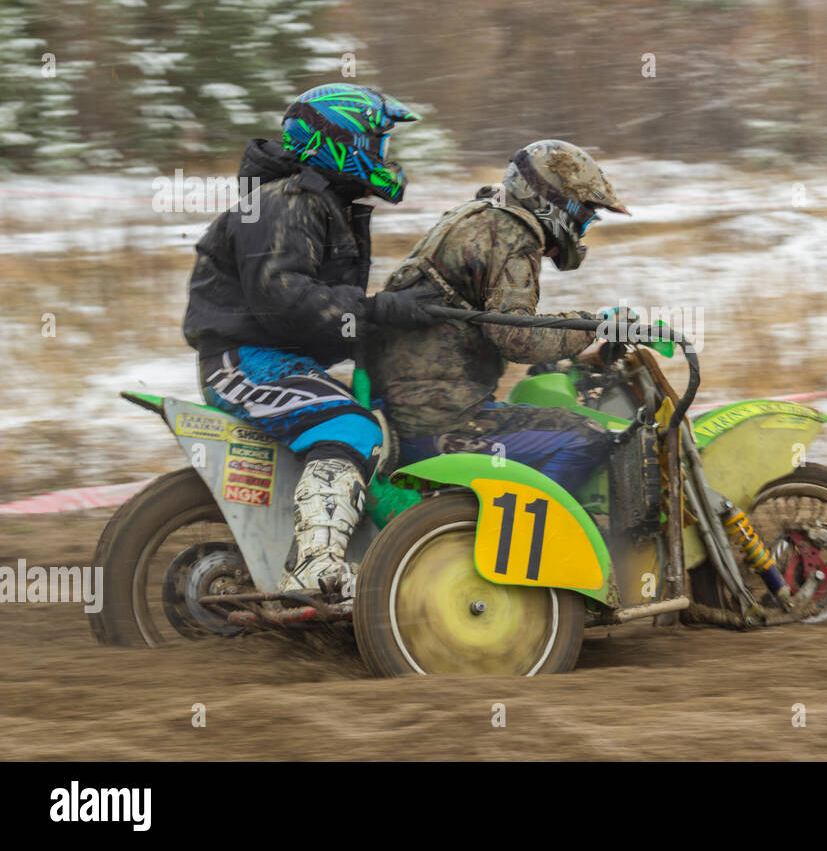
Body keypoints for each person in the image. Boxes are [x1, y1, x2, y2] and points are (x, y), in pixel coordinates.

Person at [182, 83, 440, 593]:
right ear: (343, 141)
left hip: (274, 359)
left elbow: (320, 307)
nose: (386, 156)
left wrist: (391, 320)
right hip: (245, 361)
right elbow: (283, 298)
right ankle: (313, 571)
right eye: (379, 142)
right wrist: (377, 311)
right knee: (352, 429)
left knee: (384, 427)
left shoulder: (320, 201)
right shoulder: (284, 201)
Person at [370, 139, 631, 495]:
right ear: (553, 204)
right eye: (582, 218)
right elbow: (518, 338)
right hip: (444, 425)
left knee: (547, 404)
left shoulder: (478, 218)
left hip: (417, 411)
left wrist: (583, 351)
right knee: (585, 437)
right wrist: (595, 326)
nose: (580, 231)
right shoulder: (511, 235)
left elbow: (492, 327)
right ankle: (535, 541)